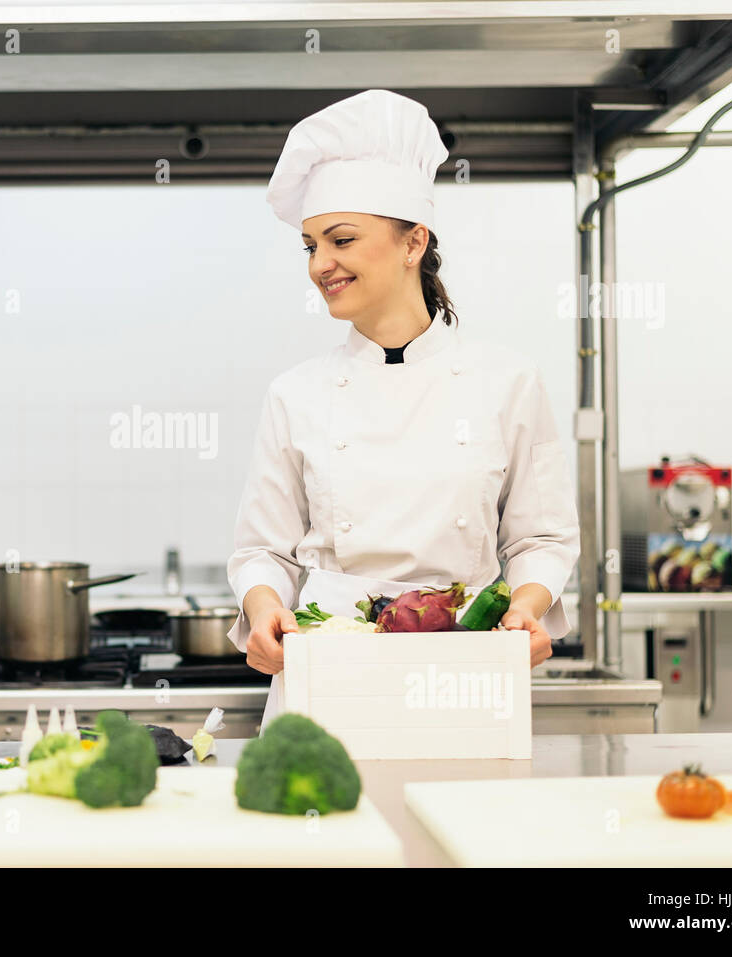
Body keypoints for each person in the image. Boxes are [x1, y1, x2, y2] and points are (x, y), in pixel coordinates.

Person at [226, 89, 581, 728]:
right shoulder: (296, 394)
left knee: (459, 818)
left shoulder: (508, 380)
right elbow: (263, 552)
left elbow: (542, 536)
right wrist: (262, 610)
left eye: (340, 240)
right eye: (309, 246)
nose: (320, 265)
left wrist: (526, 606)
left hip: (465, 666)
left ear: (413, 242)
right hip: (326, 666)